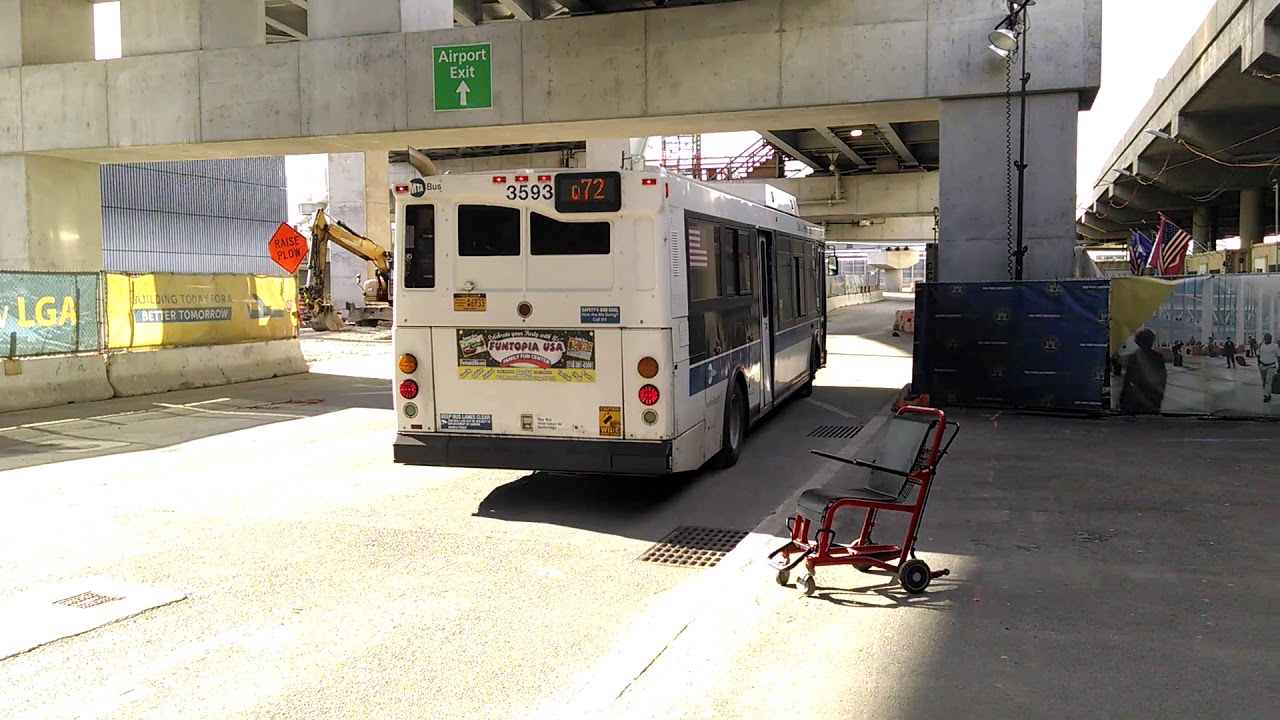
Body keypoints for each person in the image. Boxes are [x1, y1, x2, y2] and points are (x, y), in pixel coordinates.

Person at [1119, 328, 1167, 414]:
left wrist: (1123, 398)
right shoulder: (1158, 357)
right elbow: (1162, 378)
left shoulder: (1133, 357)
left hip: (1135, 398)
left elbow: (1128, 379)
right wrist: (1159, 395)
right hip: (1151, 397)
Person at [1257, 333, 1278, 404]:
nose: (1268, 339)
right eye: (1267, 338)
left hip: (1271, 366)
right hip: (1262, 366)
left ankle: (1266, 395)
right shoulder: (1261, 346)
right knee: (1264, 381)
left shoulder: (1275, 346)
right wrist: (1259, 363)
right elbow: (1258, 355)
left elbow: (1279, 356)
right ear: (1265, 339)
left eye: (1269, 338)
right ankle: (1267, 393)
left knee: (1268, 381)